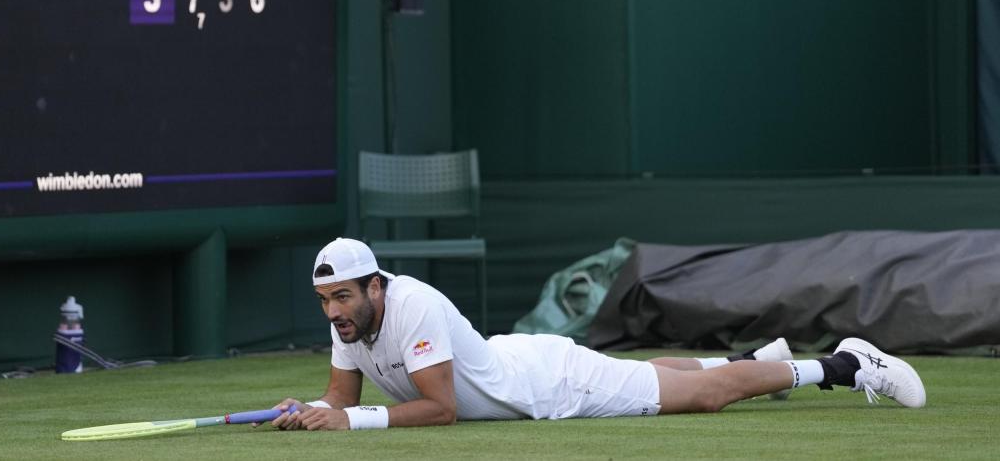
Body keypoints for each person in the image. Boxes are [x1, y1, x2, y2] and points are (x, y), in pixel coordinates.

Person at [263, 237, 926, 431]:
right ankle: (750, 359)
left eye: (343, 295)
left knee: (705, 397)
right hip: (525, 363)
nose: (334, 311)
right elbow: (340, 395)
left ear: (376, 285)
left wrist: (352, 424)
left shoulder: (414, 306)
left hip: (554, 384)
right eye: (325, 299)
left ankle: (842, 364)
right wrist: (314, 411)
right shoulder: (349, 320)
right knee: (676, 380)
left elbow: (442, 408)